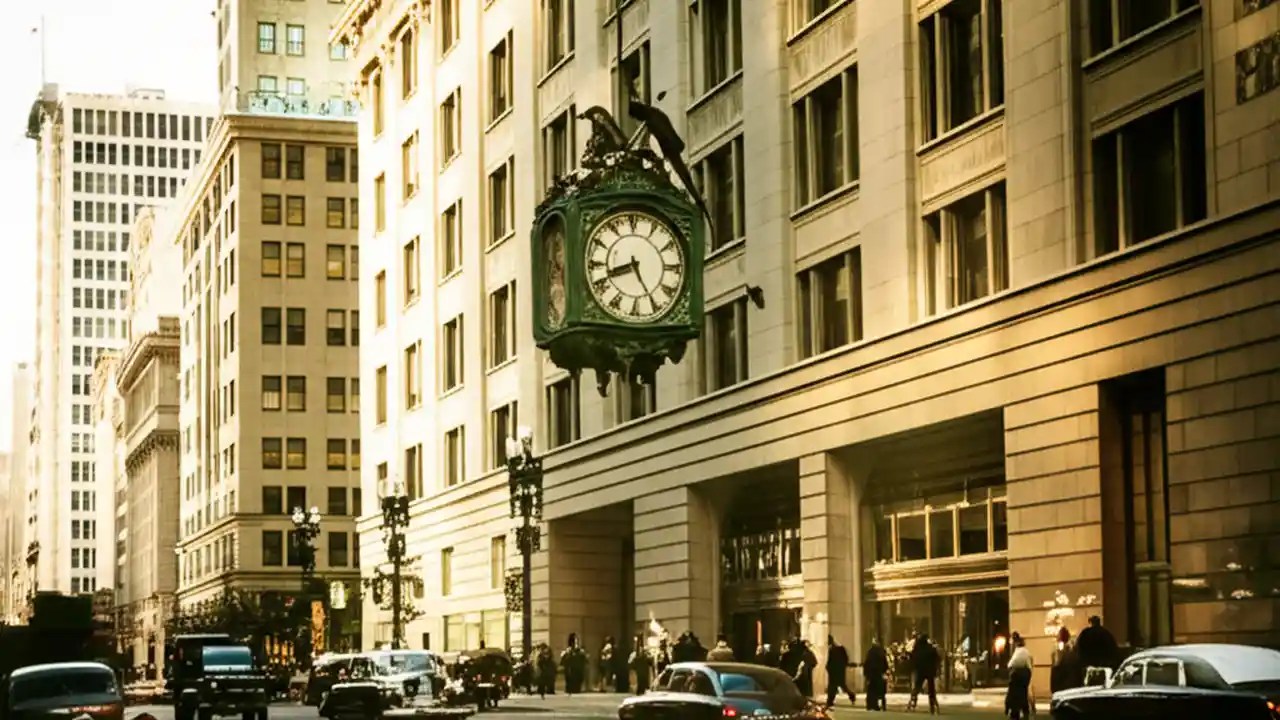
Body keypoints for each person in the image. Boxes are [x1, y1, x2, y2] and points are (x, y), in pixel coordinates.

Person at [1075, 615, 1119, 680]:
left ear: (1090, 622)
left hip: (1088, 663)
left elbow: (1079, 647)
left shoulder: (1086, 633)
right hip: (1104, 664)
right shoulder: (1105, 633)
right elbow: (1112, 648)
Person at [908, 633, 940, 715]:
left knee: (917, 687)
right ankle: (932, 706)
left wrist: (914, 668)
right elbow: (937, 659)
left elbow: (913, 659)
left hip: (920, 670)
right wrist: (936, 669)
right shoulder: (931, 648)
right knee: (931, 690)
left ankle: (912, 703)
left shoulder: (917, 648)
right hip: (930, 671)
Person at [1006, 633, 1034, 720]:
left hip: (1017, 677)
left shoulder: (1018, 651)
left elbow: (1010, 664)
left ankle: (1013, 712)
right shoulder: (1026, 651)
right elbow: (1029, 666)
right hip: (1025, 676)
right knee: (1024, 694)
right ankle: (1026, 712)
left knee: (1014, 695)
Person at [824, 635, 856, 708]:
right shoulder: (841, 648)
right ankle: (851, 696)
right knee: (841, 685)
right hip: (840, 670)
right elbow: (846, 659)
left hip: (834, 671)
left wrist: (828, 667)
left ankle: (830, 701)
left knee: (832, 686)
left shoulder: (832, 649)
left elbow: (830, 661)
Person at [1050, 627, 1081, 693]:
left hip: (1062, 684)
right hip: (1072, 683)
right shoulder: (1072, 650)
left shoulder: (1059, 649)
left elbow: (1056, 666)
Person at [862, 638, 889, 712]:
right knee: (878, 690)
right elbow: (885, 664)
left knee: (871, 690)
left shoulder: (870, 652)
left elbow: (866, 663)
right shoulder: (881, 652)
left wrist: (866, 674)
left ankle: (870, 705)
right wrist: (884, 671)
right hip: (878, 673)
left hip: (871, 674)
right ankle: (876, 705)